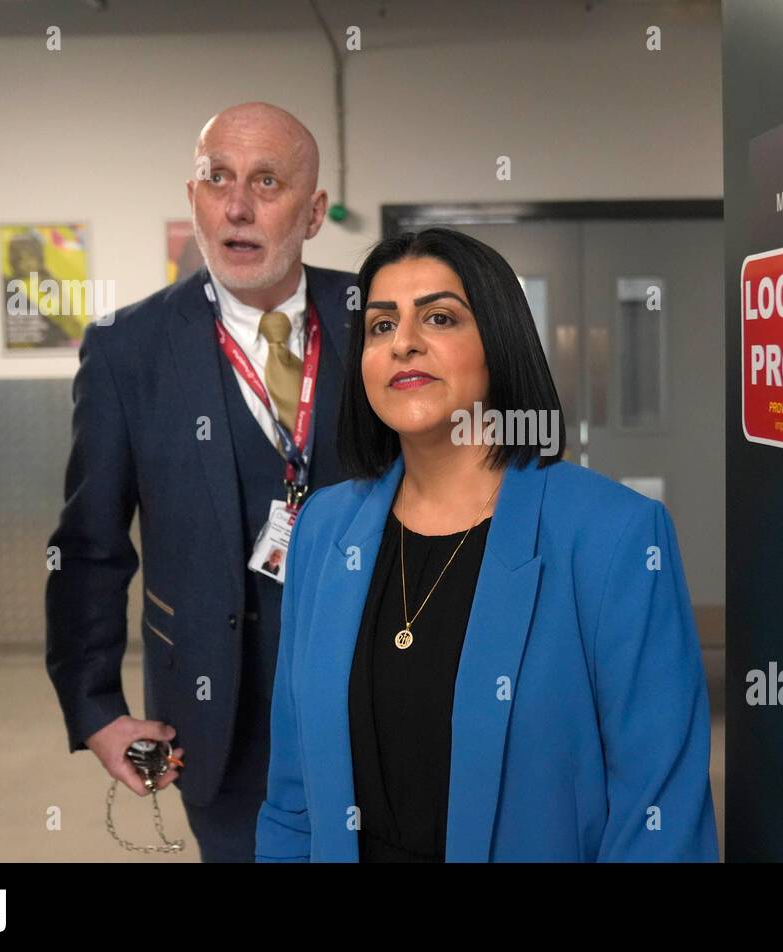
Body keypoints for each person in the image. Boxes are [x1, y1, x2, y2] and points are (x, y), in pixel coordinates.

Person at [255, 228, 718, 861]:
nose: (405, 343)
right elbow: (293, 794)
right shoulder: (324, 529)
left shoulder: (614, 535)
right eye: (381, 327)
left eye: (439, 318)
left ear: (498, 344)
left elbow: (657, 815)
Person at [46, 102, 356, 862]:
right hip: (219, 723)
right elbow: (90, 543)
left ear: (313, 213)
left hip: (374, 701)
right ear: (194, 201)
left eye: (267, 182)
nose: (238, 205)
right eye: (217, 179)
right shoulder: (129, 350)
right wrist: (96, 708)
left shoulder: (375, 319)